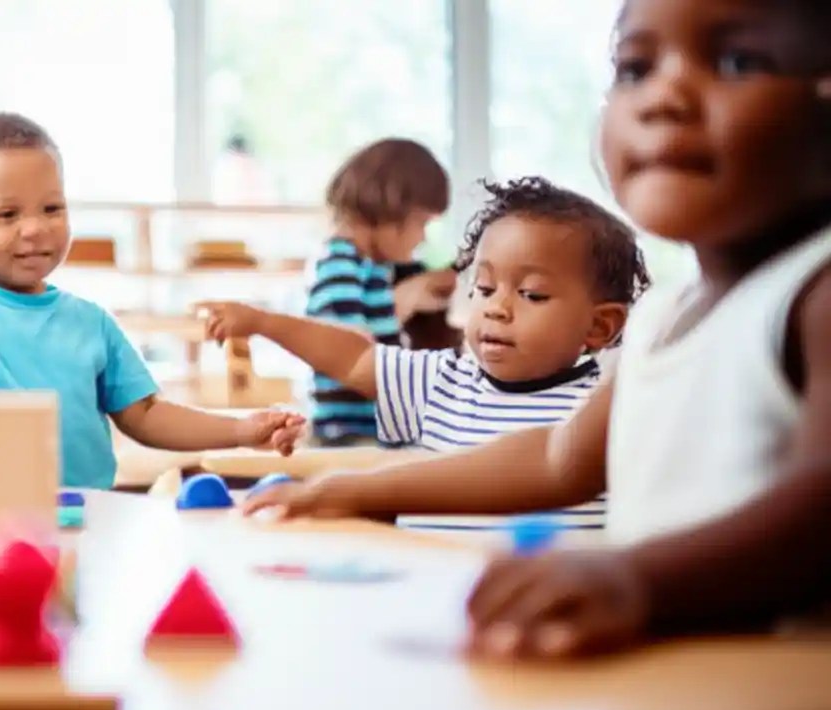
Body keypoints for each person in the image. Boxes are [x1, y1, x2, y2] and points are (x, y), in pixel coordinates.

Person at [245, 0, 831, 659]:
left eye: (736, 61)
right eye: (635, 68)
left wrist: (634, 578)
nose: (665, 94)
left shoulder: (815, 293)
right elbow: (559, 458)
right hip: (668, 682)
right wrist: (351, 488)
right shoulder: (664, 320)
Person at [0, 113, 305, 489]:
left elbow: (145, 416)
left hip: (88, 510)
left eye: (52, 208)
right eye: (8, 215)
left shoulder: (92, 322)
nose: (35, 228)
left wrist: (240, 431)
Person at [203, 176, 648, 454]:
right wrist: (263, 322)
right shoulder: (441, 382)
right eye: (484, 288)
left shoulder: (611, 407)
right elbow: (354, 358)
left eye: (531, 294)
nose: (495, 307)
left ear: (598, 326)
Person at [300, 138, 456, 446]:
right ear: (390, 210)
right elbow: (347, 356)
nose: (422, 238)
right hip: (349, 439)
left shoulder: (373, 268)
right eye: (421, 223)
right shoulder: (339, 265)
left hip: (373, 435)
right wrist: (402, 301)